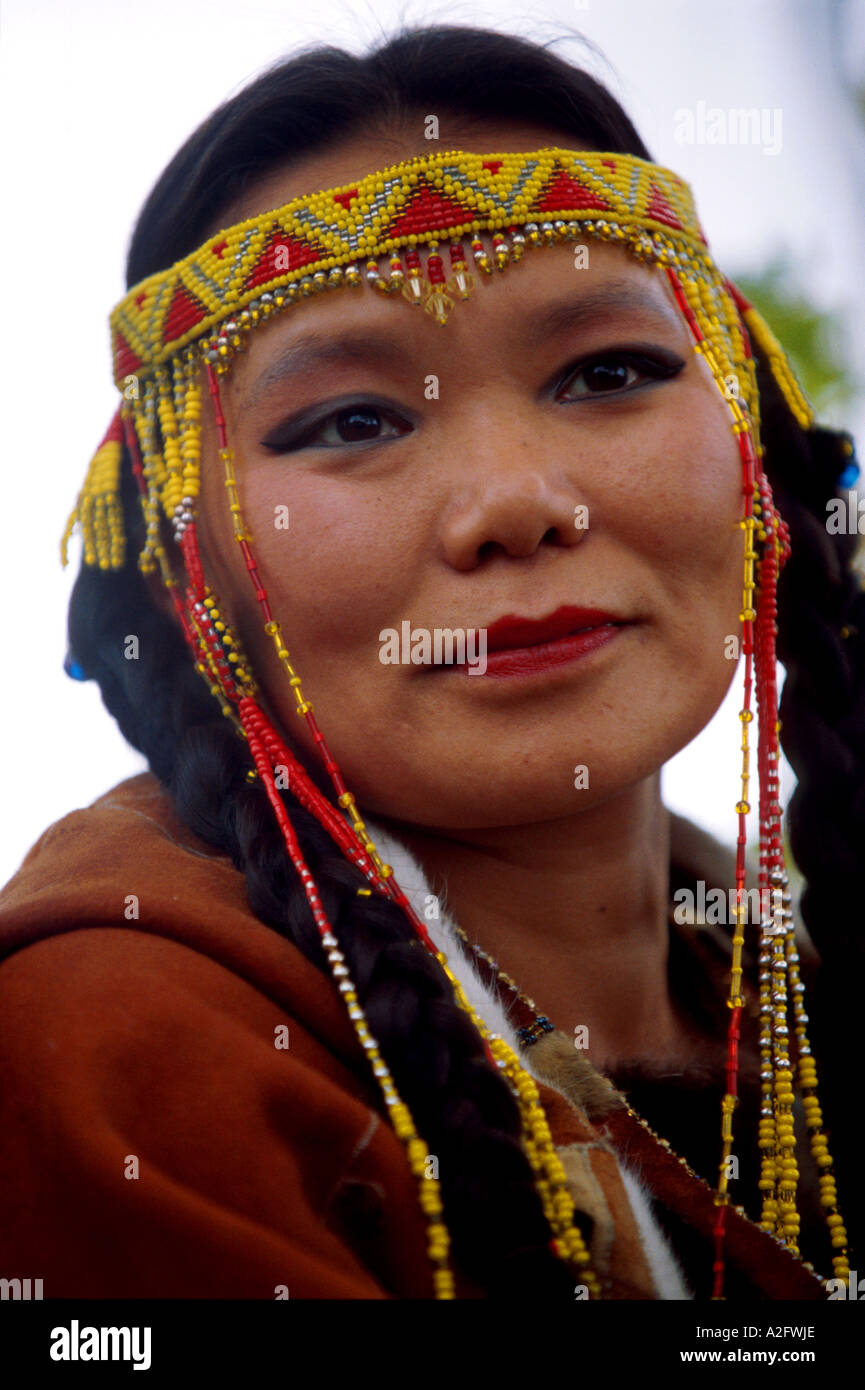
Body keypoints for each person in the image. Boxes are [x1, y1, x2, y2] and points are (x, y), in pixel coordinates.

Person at [0, 24, 861, 1302]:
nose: (516, 504)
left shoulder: (768, 956)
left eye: (606, 370)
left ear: (754, 441)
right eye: (353, 419)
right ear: (190, 571)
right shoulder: (107, 1036)